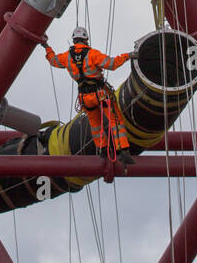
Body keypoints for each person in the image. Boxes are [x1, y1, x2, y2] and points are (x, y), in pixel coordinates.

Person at [44, 26, 137, 165]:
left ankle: (102, 149)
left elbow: (53, 61)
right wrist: (128, 56)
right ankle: (122, 151)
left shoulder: (66, 57)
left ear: (74, 40)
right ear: (86, 39)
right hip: (100, 94)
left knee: (95, 125)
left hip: (85, 98)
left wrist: (46, 46)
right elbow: (111, 64)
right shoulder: (92, 54)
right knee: (115, 120)